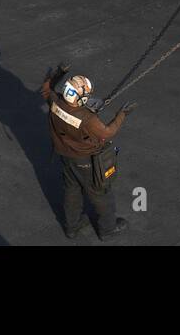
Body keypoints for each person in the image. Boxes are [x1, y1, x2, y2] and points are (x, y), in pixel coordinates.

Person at [40, 67, 135, 241]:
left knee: (72, 190)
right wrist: (122, 114)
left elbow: (46, 89)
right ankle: (108, 229)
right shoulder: (88, 119)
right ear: (81, 98)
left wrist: (57, 74)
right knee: (100, 194)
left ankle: (72, 227)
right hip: (87, 162)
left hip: (66, 156)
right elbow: (107, 133)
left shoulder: (56, 102)